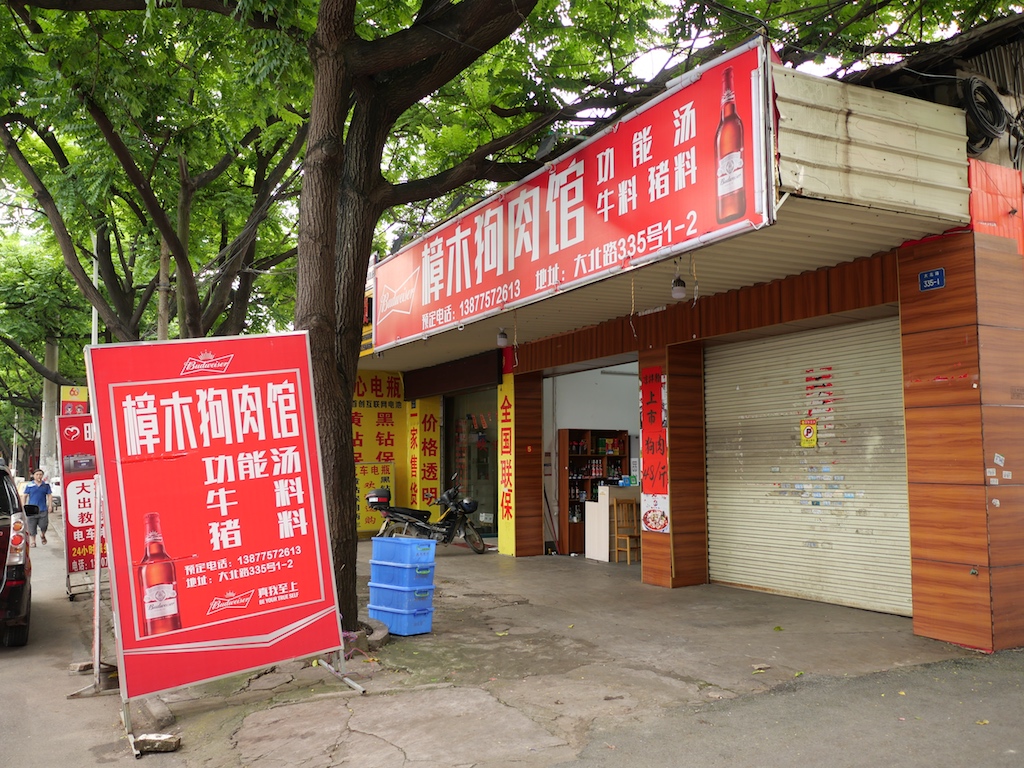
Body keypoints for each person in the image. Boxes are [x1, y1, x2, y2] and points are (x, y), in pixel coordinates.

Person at [22, 468, 53, 547]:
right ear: (34, 476)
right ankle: (33, 541)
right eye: (37, 474)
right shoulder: (29, 485)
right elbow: (24, 495)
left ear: (42, 476)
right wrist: (23, 506)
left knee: (44, 525)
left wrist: (50, 505)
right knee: (31, 526)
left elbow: (49, 496)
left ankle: (42, 535)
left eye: (40, 474)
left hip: (43, 509)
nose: (39, 476)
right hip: (31, 509)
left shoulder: (46, 485)